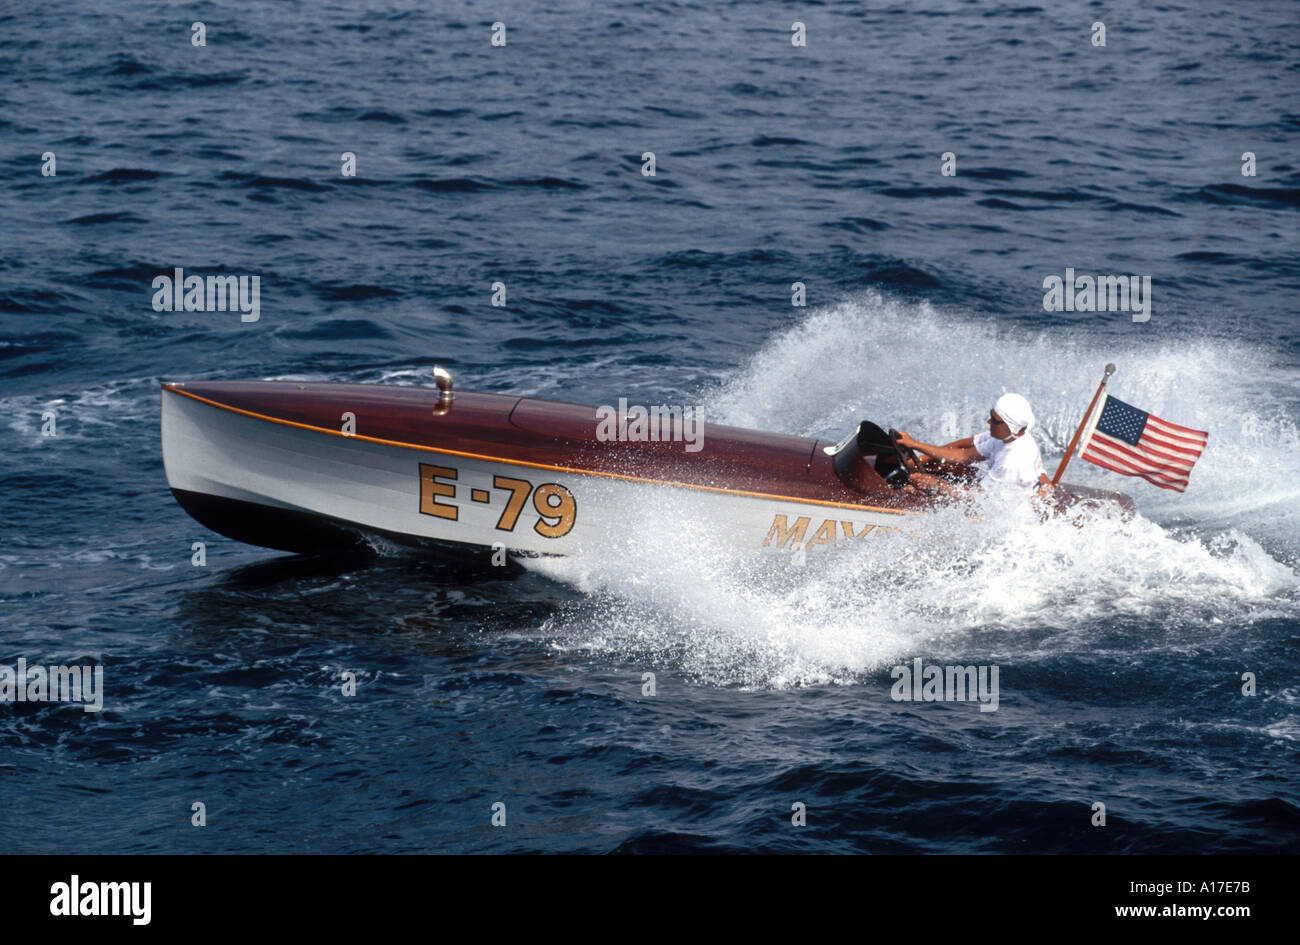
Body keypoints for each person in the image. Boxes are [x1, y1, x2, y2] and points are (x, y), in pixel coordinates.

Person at [893, 393, 1050, 496]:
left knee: (910, 490)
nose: (988, 422)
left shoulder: (1011, 462)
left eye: (994, 421)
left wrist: (937, 484)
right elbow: (963, 456)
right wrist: (915, 445)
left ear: (1010, 426)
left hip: (994, 509)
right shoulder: (1006, 437)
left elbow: (975, 500)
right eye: (991, 416)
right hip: (985, 491)